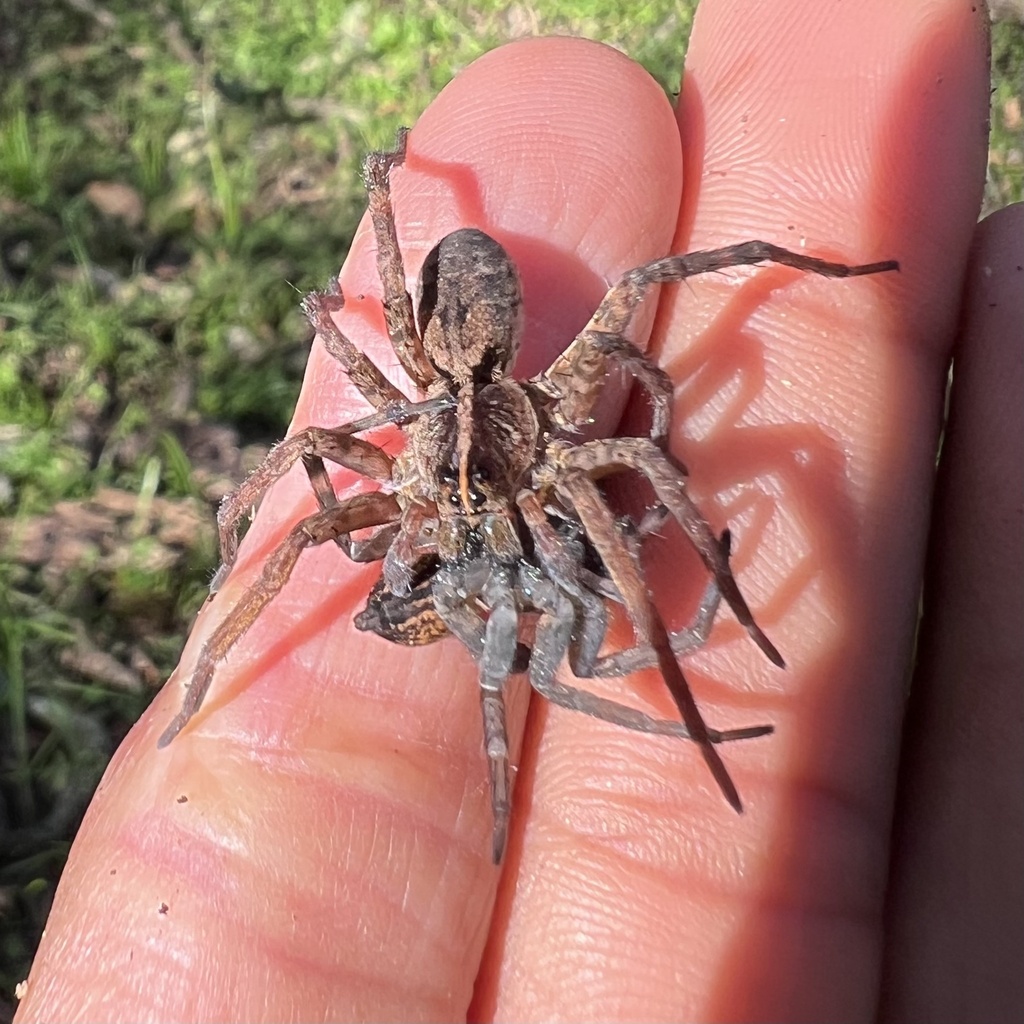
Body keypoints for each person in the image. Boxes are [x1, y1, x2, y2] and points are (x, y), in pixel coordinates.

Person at [15, 0, 1021, 1020]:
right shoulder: (403, 421)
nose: (460, 514)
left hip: (506, 398)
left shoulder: (553, 414)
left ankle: (703, 658)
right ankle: (202, 687)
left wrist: (696, 529)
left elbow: (645, 381)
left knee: (643, 310)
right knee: (315, 503)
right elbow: (307, 442)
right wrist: (246, 516)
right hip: (445, 388)